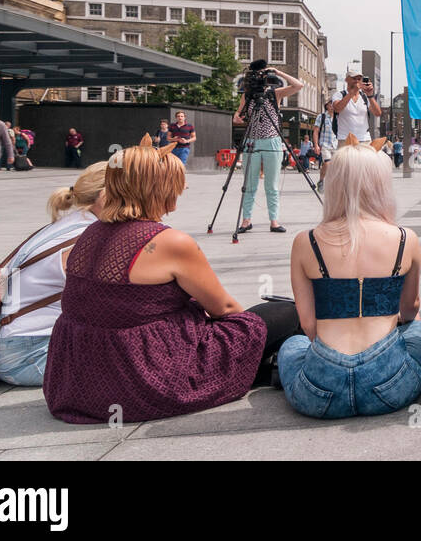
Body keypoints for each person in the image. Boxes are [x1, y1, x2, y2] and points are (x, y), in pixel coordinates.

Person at [43, 138, 301, 423]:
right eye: (176, 182)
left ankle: (266, 367)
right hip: (145, 380)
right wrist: (245, 344)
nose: (183, 188)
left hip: (78, 385)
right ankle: (278, 367)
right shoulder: (168, 241)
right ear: (157, 188)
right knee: (286, 313)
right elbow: (225, 308)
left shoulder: (89, 234)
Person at [277, 146, 421, 418]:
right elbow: (409, 310)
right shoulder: (406, 238)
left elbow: (309, 325)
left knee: (291, 346)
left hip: (320, 391)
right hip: (389, 386)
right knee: (418, 333)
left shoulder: (305, 241)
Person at [0, 164, 107, 386]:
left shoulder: (72, 223)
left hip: (10, 345)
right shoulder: (87, 236)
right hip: (28, 355)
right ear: (105, 197)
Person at [234, 59, 303, 234]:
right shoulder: (247, 95)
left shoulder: (275, 94)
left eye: (264, 74)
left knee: (271, 185)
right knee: (249, 185)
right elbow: (238, 114)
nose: (261, 77)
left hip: (272, 140)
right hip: (252, 140)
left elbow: (298, 85)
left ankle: (274, 221)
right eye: (258, 74)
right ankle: (246, 220)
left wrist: (277, 72)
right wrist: (236, 118)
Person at [333, 71, 381, 146]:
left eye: (359, 79)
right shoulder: (339, 95)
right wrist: (352, 92)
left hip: (364, 139)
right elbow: (337, 109)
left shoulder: (364, 96)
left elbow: (377, 113)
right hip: (345, 139)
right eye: (354, 78)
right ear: (346, 80)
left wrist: (370, 95)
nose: (357, 81)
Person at [313, 100, 337, 191]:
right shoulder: (321, 117)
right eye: (330, 104)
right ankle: (321, 181)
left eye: (333, 104)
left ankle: (332, 184)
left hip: (336, 144)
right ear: (326, 106)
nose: (332, 106)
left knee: (335, 166)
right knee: (327, 163)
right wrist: (316, 145)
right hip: (325, 144)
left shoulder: (338, 117)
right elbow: (316, 131)